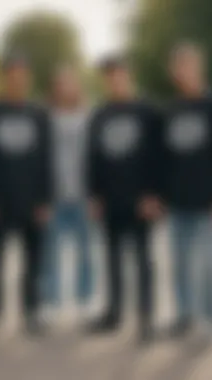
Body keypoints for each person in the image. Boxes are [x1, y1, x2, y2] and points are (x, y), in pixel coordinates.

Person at [86, 55, 163, 342]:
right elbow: (93, 158)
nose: (113, 79)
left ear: (129, 74)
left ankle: (146, 319)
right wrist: (94, 195)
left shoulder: (148, 112)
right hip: (110, 200)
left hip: (141, 200)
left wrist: (154, 195)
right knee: (112, 260)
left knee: (143, 260)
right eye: (108, 75)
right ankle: (114, 313)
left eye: (118, 74)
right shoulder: (100, 114)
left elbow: (158, 157)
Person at [0, 53, 52, 335]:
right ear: (3, 77)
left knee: (32, 261)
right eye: (11, 74)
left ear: (28, 78)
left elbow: (47, 160)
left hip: (32, 201)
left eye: (22, 74)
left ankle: (31, 312)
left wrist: (45, 200)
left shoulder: (40, 114)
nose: (17, 79)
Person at [164, 43, 212, 340]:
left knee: (208, 266)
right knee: (179, 264)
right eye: (178, 66)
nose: (184, 72)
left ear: (199, 68)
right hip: (178, 201)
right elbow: (165, 158)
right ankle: (185, 315)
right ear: (173, 72)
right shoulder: (172, 109)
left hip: (209, 202)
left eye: (189, 65)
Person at [42, 64, 92, 321]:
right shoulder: (45, 118)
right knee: (51, 253)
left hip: (83, 197)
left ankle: (85, 300)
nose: (65, 88)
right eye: (60, 83)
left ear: (77, 86)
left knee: (86, 252)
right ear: (54, 89)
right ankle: (52, 301)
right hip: (55, 197)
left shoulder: (89, 116)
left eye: (69, 82)